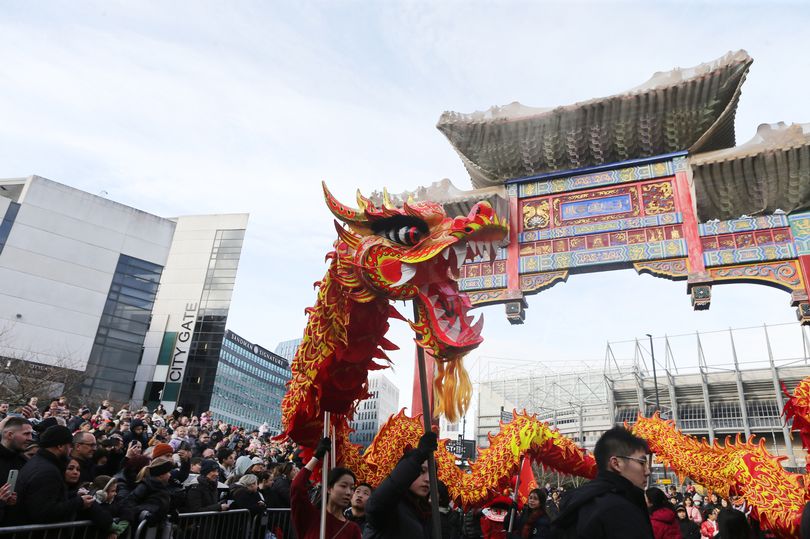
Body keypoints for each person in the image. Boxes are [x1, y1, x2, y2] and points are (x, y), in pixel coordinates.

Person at [550, 426, 653, 538]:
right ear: (616, 463)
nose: (647, 471)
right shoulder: (619, 510)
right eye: (642, 462)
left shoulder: (577, 502)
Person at [12, 425, 95, 524]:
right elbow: (44, 512)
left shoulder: (39, 462)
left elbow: (47, 497)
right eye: (69, 446)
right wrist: (79, 503)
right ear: (60, 446)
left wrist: (74, 496)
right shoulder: (47, 471)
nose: (70, 451)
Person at [364, 431, 438, 538]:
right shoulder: (389, 508)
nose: (428, 479)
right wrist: (418, 456)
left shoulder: (428, 514)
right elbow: (377, 504)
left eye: (431, 474)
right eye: (421, 471)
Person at [290, 437, 360, 538]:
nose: (349, 492)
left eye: (352, 488)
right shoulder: (310, 515)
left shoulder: (352, 529)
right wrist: (316, 457)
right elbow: (297, 487)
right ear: (329, 488)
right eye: (343, 486)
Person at [118, 456, 176, 526]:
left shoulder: (162, 487)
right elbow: (130, 501)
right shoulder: (146, 485)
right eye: (168, 472)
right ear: (161, 474)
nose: (170, 475)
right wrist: (147, 513)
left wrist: (171, 510)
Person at [0, 416, 32, 485]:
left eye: (31, 434)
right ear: (10, 435)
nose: (30, 438)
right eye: (26, 434)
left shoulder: (24, 461)